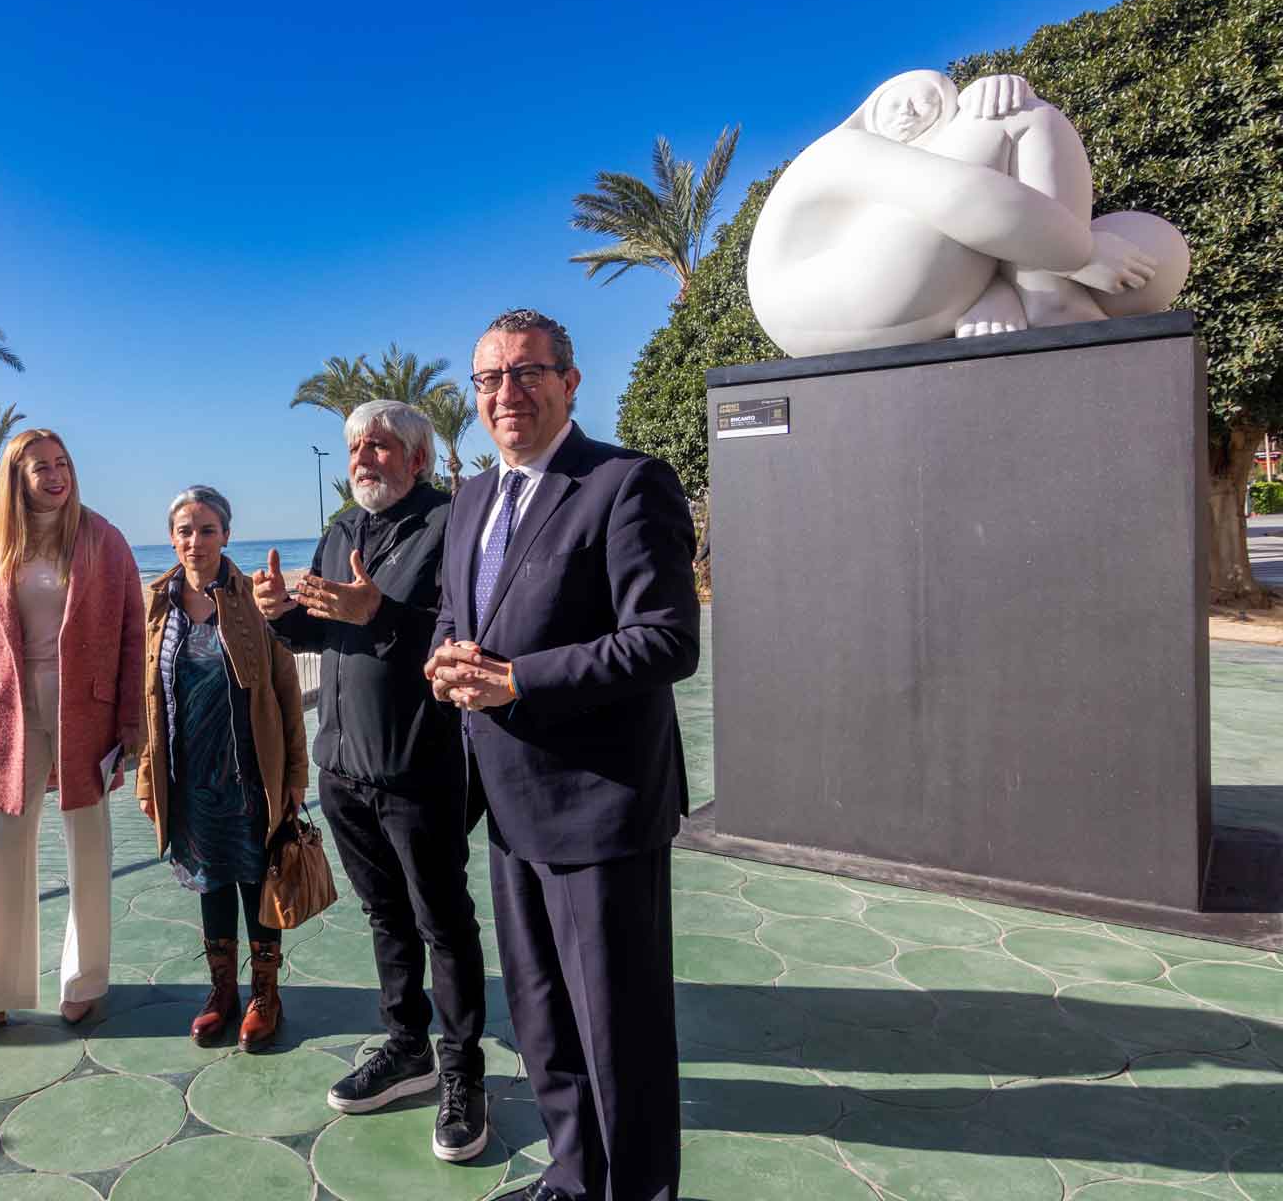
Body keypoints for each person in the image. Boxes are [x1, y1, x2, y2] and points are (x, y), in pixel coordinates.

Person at [427, 309, 700, 1201]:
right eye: (490, 378)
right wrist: (444, 660)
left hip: (600, 808)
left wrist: (517, 679)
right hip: (508, 808)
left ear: (569, 382)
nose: (507, 392)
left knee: (620, 1036)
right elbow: (457, 616)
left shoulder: (625, 483)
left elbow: (665, 640)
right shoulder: (472, 499)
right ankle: (575, 1179)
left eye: (527, 372)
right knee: (545, 1023)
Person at [254, 400, 490, 1162]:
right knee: (385, 917)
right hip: (344, 768)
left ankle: (463, 1073)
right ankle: (406, 1046)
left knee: (442, 923)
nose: (362, 458)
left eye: (380, 445)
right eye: (356, 446)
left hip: (421, 766)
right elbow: (323, 629)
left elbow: (467, 630)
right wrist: (280, 615)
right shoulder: (343, 530)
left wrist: (381, 611)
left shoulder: (452, 524)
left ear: (418, 458)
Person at [0, 429, 145, 1050]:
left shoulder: (102, 539)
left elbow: (133, 632)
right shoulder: (1, 545)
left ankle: (83, 982)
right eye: (41, 468)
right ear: (16, 480)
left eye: (62, 464)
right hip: (11, 711)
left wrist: (130, 722)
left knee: (88, 843)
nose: (56, 476)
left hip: (88, 710)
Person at [747, 69, 1187, 357]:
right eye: (895, 102)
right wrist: (1081, 254)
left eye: (929, 101)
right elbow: (960, 196)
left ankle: (1032, 292)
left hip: (836, 312)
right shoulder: (843, 148)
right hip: (826, 296)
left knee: (1156, 248)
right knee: (1021, 115)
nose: (909, 110)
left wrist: (992, 295)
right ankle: (1053, 300)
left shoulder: (879, 208)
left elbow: (954, 213)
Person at [136, 485, 307, 1051]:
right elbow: (150, 699)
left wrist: (295, 775)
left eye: (207, 530)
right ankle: (222, 991)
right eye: (185, 531)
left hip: (249, 773)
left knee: (258, 880)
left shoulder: (252, 598)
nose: (196, 541)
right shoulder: (158, 603)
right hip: (190, 777)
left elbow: (286, 690)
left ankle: (265, 995)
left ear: (226, 536)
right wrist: (147, 776)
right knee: (210, 884)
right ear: (172, 539)